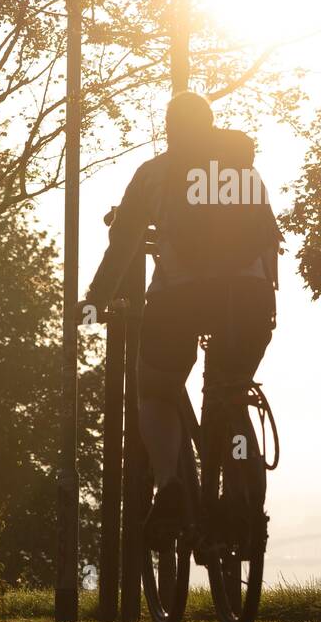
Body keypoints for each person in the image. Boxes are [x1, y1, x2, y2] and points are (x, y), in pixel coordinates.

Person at [82, 90, 280, 542]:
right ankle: (245, 502)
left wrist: (96, 299)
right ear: (211, 126)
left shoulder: (155, 174)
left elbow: (123, 245)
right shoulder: (246, 173)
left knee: (155, 386)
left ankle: (169, 486)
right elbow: (270, 242)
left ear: (171, 130)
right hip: (249, 300)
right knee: (231, 391)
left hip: (182, 299)